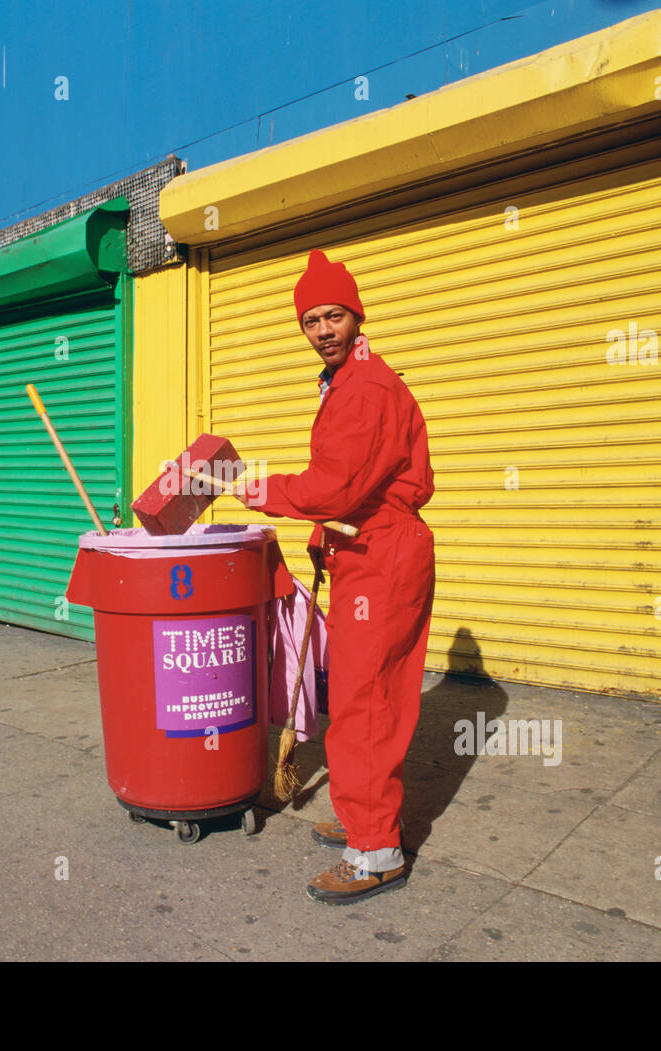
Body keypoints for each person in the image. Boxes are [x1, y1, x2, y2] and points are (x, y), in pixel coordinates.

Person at [235, 249, 435, 905]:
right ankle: (360, 816)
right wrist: (327, 530)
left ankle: (376, 851)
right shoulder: (346, 380)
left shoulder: (367, 387)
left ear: (357, 315)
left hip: (384, 557)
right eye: (311, 319)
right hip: (364, 551)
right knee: (354, 692)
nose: (323, 329)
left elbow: (339, 483)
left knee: (365, 704)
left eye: (334, 315)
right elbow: (353, 486)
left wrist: (263, 488)